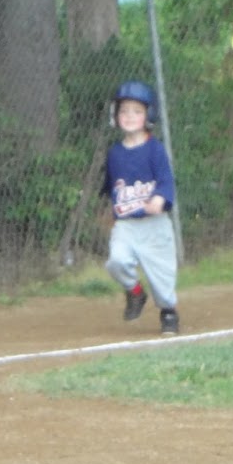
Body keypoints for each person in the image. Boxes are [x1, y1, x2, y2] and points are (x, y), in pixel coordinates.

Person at [102, 80, 180, 336]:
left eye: (137, 111)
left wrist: (160, 198)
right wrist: (107, 211)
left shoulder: (154, 150)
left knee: (161, 277)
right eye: (124, 111)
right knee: (116, 261)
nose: (129, 116)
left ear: (149, 115)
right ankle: (135, 292)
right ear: (115, 115)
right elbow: (111, 187)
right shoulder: (114, 154)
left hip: (154, 224)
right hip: (126, 224)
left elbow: (166, 181)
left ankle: (168, 311)